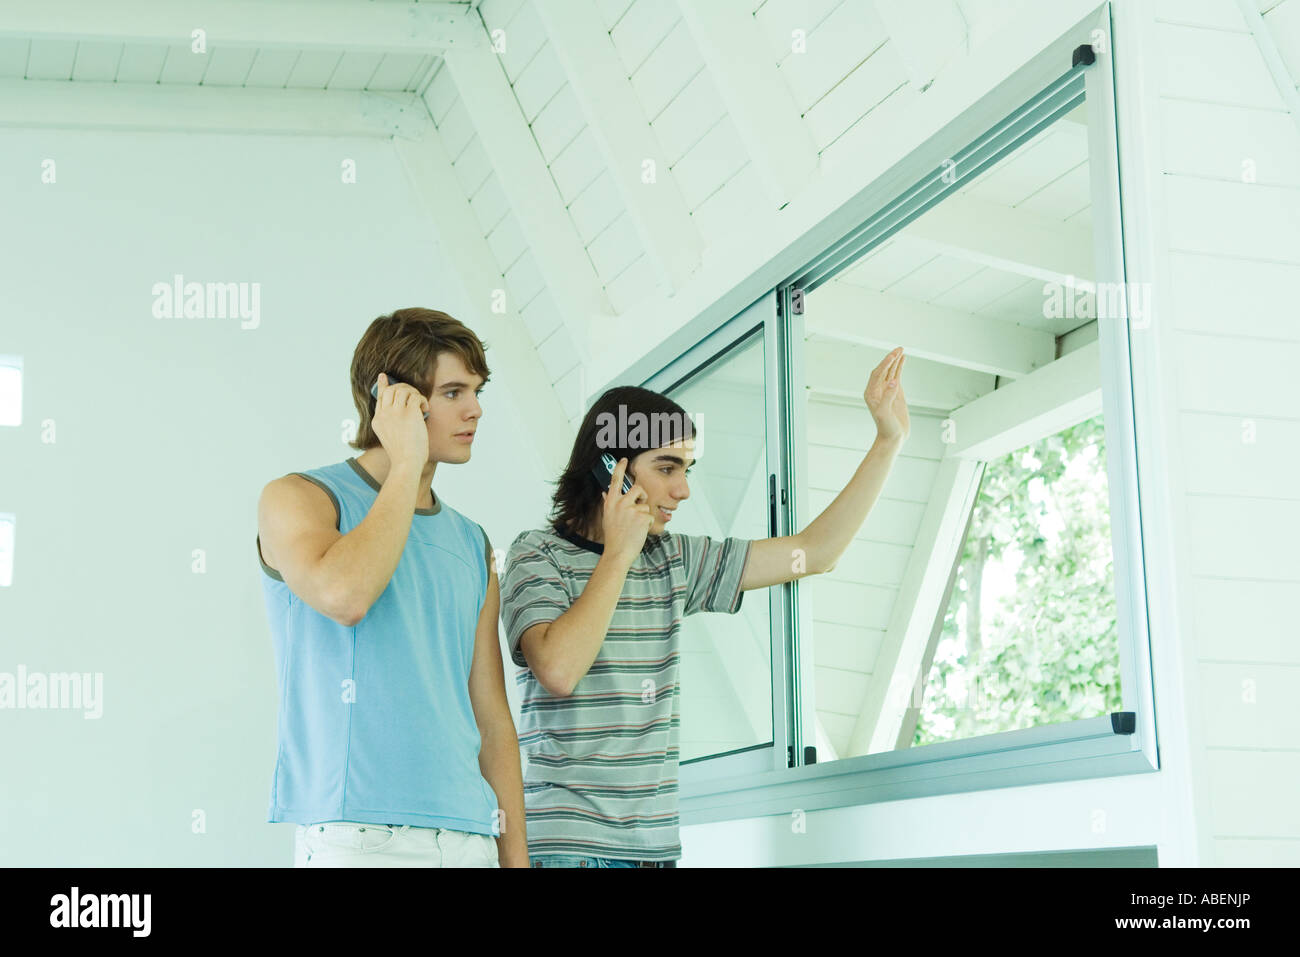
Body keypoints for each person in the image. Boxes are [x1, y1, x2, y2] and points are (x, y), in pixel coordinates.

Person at [500, 347, 910, 867]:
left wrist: (889, 441)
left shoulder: (672, 560)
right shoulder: (537, 554)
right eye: (667, 467)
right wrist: (619, 553)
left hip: (656, 851)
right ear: (612, 470)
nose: (683, 489)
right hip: (570, 849)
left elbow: (815, 553)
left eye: (687, 468)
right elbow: (559, 669)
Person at [255, 307, 526, 867]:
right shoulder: (298, 498)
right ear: (393, 399)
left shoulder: (472, 543)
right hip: (358, 837)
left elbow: (492, 717)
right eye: (453, 392)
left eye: (477, 391)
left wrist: (514, 860)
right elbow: (345, 597)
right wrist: (406, 465)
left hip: (468, 835)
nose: (474, 410)